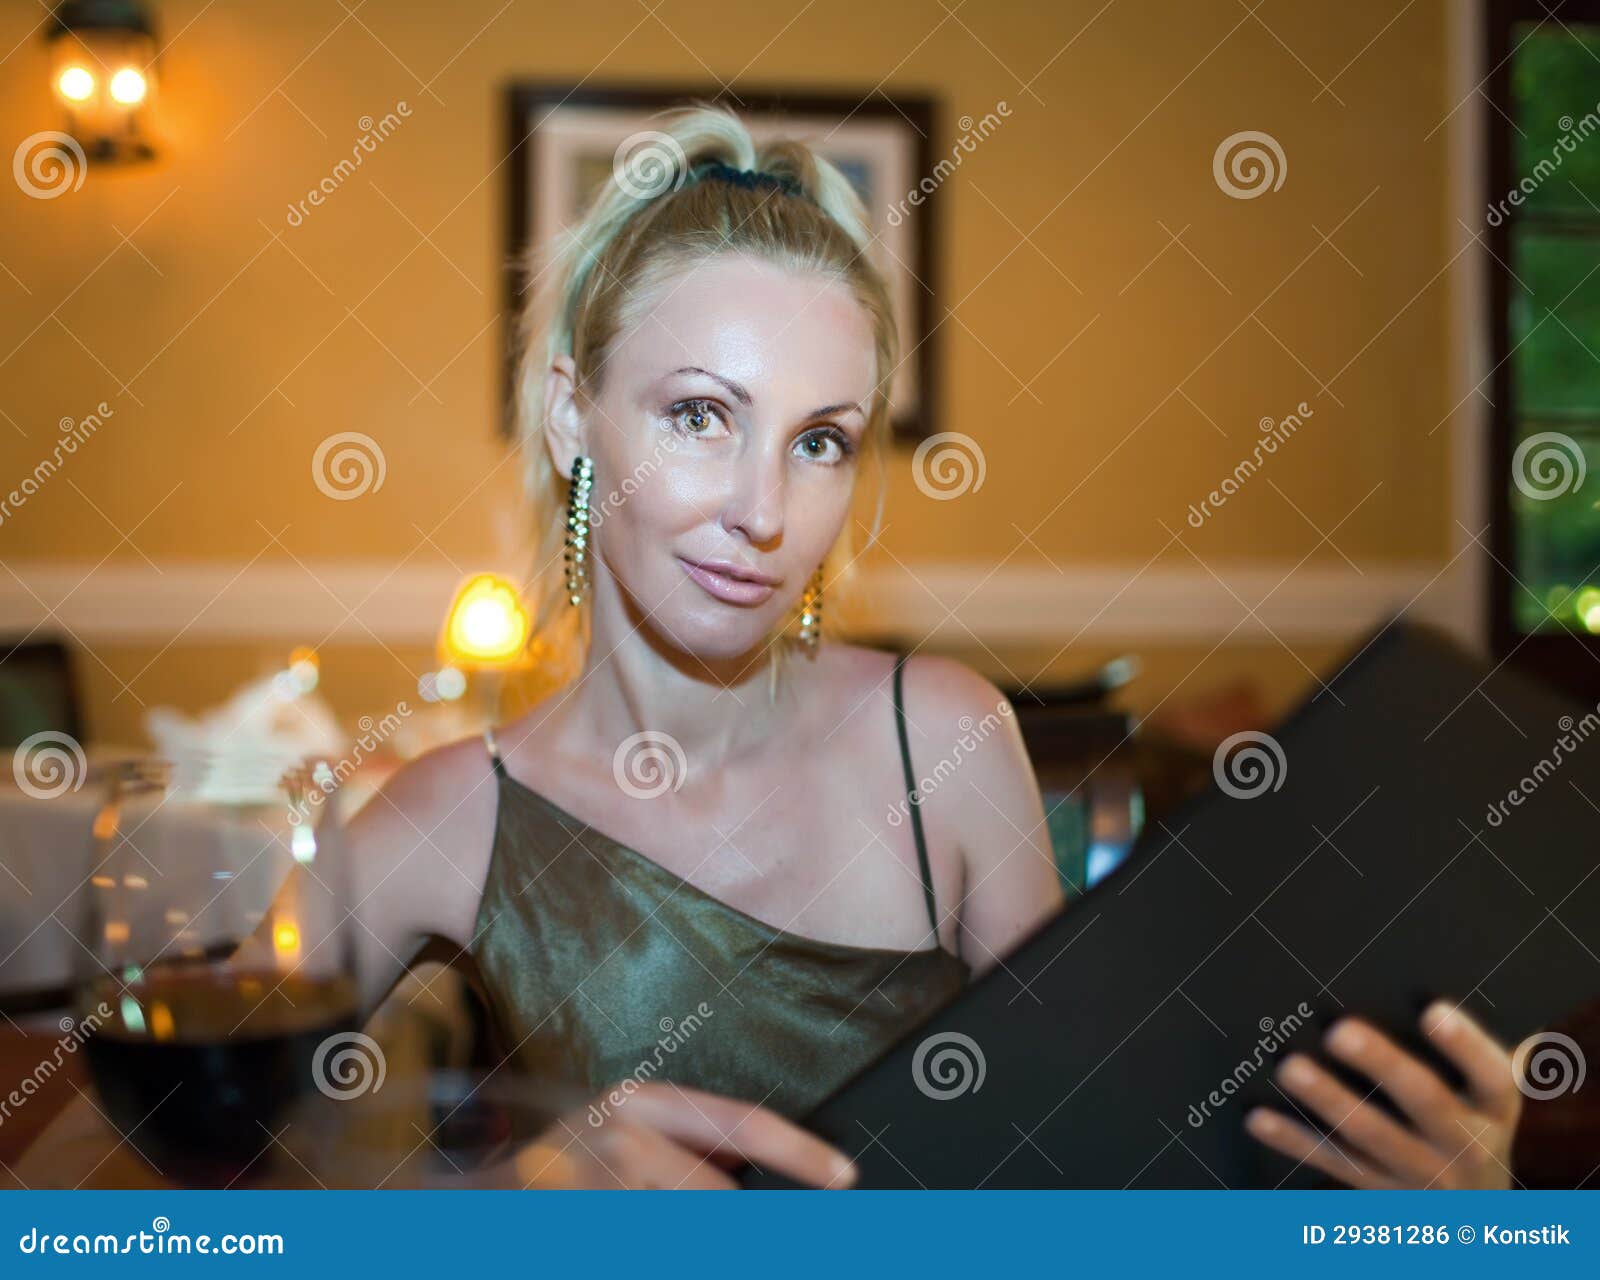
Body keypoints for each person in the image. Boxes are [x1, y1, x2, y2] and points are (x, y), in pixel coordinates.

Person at [298, 104, 1522, 1189]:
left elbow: (1091, 1175)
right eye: (699, 415)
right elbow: (172, 1207)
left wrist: (1455, 1226)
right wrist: (500, 1202)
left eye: (819, 440)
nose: (765, 511)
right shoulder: (445, 819)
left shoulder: (943, 734)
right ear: (575, 418)